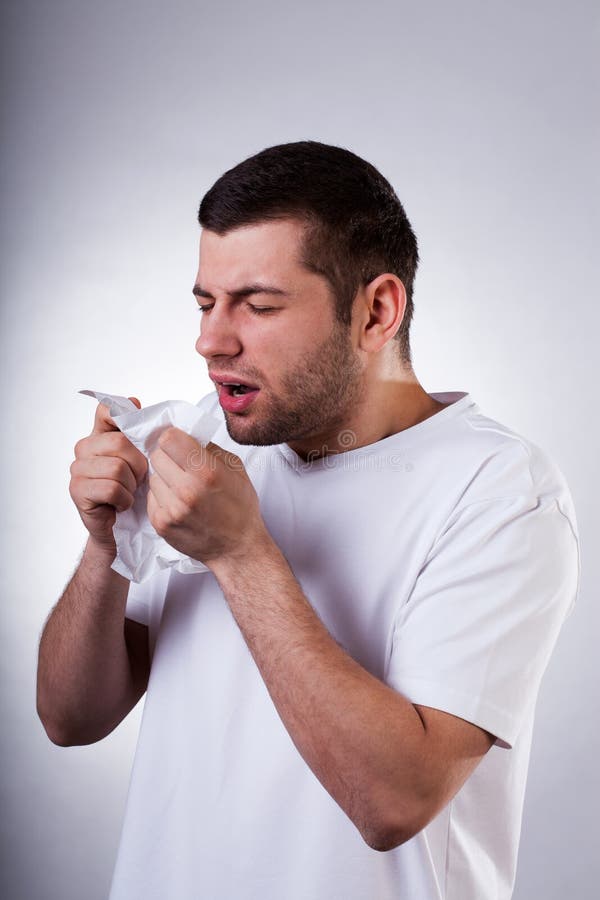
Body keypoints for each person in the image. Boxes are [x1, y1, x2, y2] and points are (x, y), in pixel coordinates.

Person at [37, 141, 580, 900]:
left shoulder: (499, 492)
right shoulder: (201, 441)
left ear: (376, 311)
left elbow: (393, 803)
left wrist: (241, 553)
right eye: (205, 303)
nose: (210, 340)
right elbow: (69, 717)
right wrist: (105, 549)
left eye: (257, 306)